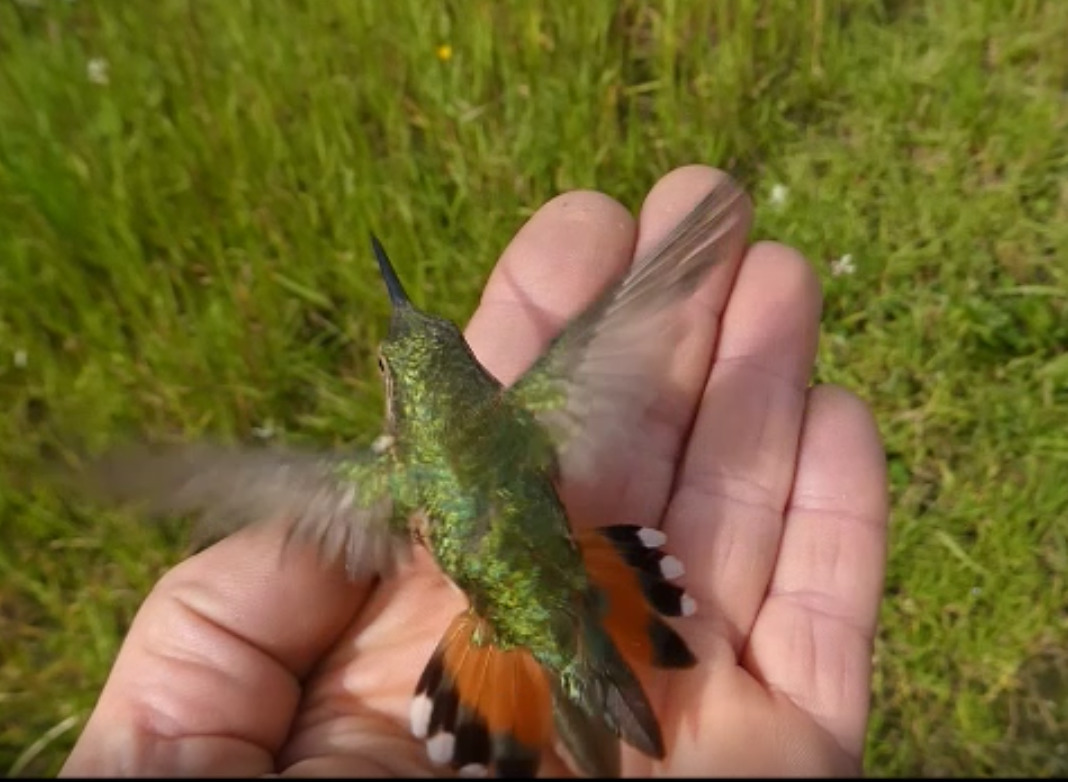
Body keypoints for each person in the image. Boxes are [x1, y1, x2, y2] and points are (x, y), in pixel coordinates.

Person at [60, 165, 888, 777]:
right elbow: (620, 320)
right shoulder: (539, 398)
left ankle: (539, 693)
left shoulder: (375, 481)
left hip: (500, 615)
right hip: (574, 567)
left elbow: (252, 479)